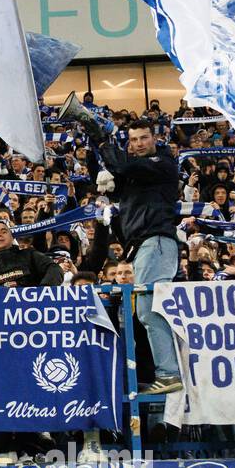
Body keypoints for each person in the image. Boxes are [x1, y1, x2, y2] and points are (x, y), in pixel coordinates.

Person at [87, 118, 183, 395]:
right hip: (145, 246)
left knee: (148, 310)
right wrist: (98, 154)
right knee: (147, 309)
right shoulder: (136, 173)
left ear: (155, 139)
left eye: (143, 138)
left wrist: (104, 141)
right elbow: (115, 174)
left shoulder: (163, 163)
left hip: (156, 242)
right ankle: (168, 373)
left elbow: (123, 165)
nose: (139, 144)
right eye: (134, 140)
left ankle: (169, 373)